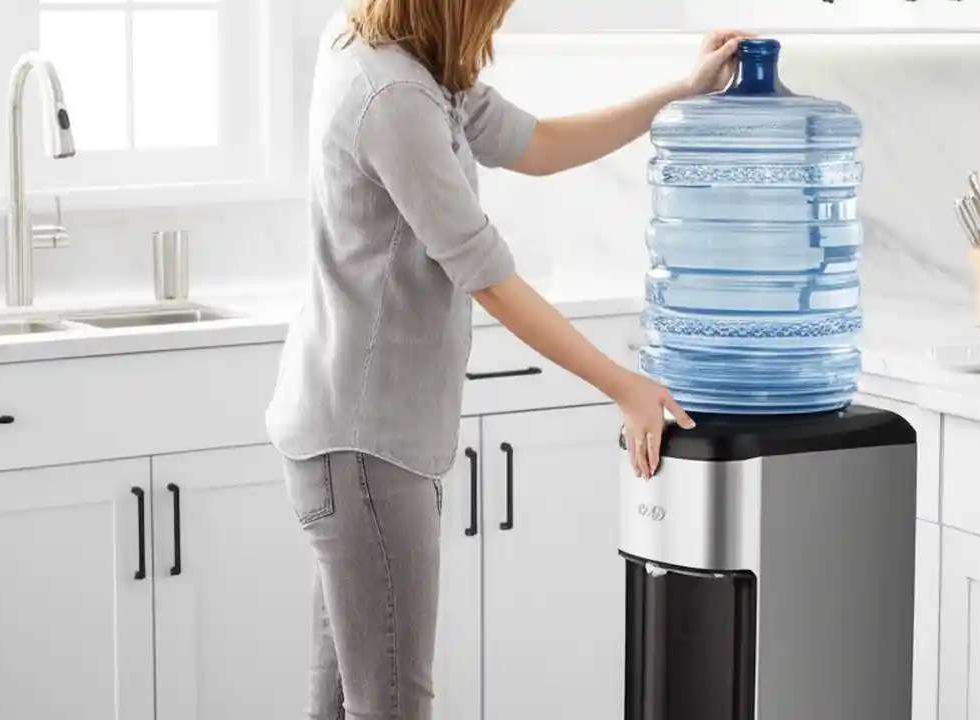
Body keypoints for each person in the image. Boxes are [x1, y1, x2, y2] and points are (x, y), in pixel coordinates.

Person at [266, 2, 749, 717]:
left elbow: (539, 144)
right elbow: (486, 275)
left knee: (343, 700)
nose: (497, 21)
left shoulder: (392, 52)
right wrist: (623, 385)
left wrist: (679, 92)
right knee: (392, 701)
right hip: (367, 447)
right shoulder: (393, 95)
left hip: (350, 433)